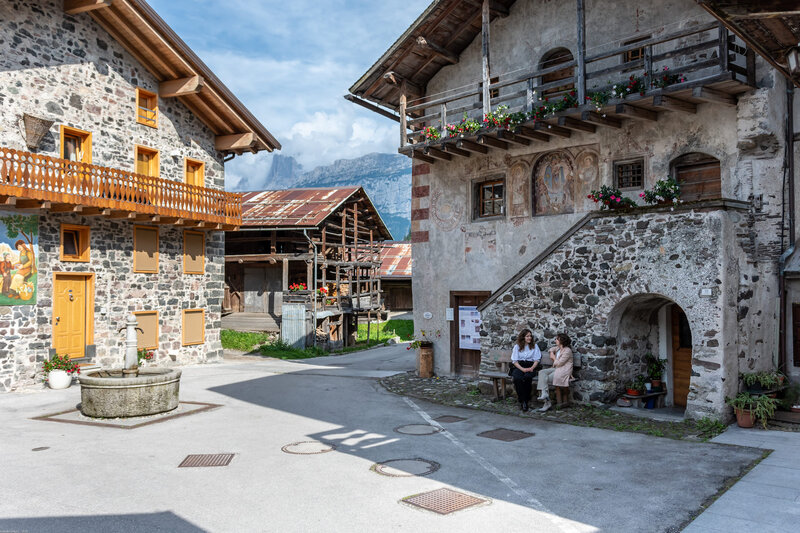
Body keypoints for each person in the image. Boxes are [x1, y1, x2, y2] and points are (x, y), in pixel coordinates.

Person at [536, 333, 574, 412]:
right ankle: (544, 394)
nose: (555, 340)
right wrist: (551, 352)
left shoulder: (567, 351)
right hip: (556, 369)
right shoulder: (558, 348)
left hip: (563, 371)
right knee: (542, 372)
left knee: (545, 379)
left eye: (557, 339)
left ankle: (546, 403)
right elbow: (551, 349)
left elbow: (560, 363)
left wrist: (553, 358)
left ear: (562, 341)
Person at [510, 329, 542, 412]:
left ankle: (526, 400)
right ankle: (523, 401)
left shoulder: (535, 346)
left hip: (530, 366)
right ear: (523, 337)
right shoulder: (517, 346)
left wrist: (532, 368)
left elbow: (536, 360)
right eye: (527, 336)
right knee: (517, 378)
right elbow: (515, 361)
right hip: (519, 366)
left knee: (527, 378)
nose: (529, 338)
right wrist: (522, 369)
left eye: (530, 336)